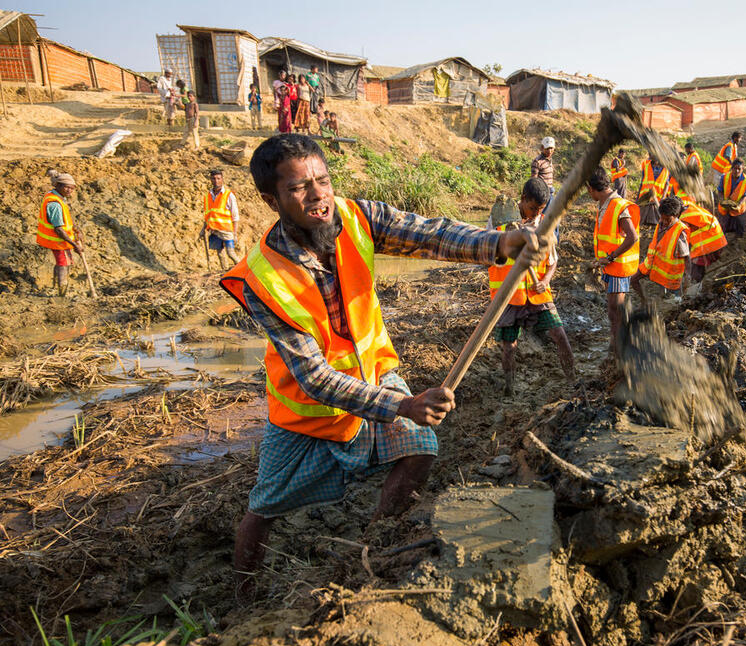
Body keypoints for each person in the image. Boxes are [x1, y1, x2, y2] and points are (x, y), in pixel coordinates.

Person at [220, 134, 546, 599]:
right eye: (299, 188)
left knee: (421, 448)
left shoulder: (358, 218)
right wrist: (402, 404)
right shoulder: (262, 277)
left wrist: (500, 242)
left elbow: (432, 234)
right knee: (265, 506)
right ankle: (242, 594)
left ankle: (372, 550)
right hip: (304, 410)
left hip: (372, 370)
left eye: (323, 180)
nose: (318, 195)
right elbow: (314, 378)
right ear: (270, 199)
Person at [490, 178, 575, 395]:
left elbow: (553, 260)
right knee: (509, 346)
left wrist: (545, 281)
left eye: (540, 209)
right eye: (532, 208)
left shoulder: (544, 224)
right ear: (523, 199)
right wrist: (509, 240)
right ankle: (509, 389)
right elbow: (485, 253)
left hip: (538, 294)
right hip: (509, 296)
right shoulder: (499, 219)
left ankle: (574, 382)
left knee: (560, 335)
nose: (536, 213)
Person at [586, 167, 639, 353]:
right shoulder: (604, 203)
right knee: (614, 309)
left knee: (614, 309)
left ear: (591, 188)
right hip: (610, 265)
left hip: (618, 266)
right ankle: (618, 343)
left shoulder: (617, 205)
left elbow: (632, 237)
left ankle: (619, 348)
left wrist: (610, 257)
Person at [634, 196, 690, 303]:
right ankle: (646, 302)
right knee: (633, 280)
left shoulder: (680, 232)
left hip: (670, 273)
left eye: (667, 220)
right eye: (662, 218)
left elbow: (686, 257)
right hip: (652, 264)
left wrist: (688, 277)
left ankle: (675, 305)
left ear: (676, 216)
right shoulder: (660, 223)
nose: (664, 221)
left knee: (677, 300)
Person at [37, 172, 83, 297]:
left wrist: (75, 229)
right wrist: (74, 244)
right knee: (64, 263)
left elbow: (64, 221)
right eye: (66, 187)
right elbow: (58, 229)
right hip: (58, 240)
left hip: (59, 238)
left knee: (61, 262)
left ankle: (56, 286)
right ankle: (61, 293)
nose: (69, 190)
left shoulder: (55, 196)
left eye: (72, 188)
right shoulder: (55, 204)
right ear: (57, 185)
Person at [200, 169, 240, 268]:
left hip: (226, 230)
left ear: (222, 179)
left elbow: (235, 216)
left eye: (218, 178)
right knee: (220, 254)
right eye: (214, 178)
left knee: (231, 253)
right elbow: (208, 216)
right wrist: (203, 229)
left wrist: (234, 233)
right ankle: (225, 273)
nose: (216, 181)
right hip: (214, 230)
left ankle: (243, 270)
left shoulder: (228, 195)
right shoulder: (207, 196)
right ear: (210, 180)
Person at [681, 199, 727, 283]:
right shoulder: (690, 207)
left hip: (709, 245)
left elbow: (682, 240)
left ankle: (695, 288)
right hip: (719, 241)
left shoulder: (683, 218)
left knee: (695, 269)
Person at [636, 154, 670, 237]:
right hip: (646, 196)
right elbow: (642, 181)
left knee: (658, 217)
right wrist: (638, 196)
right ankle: (640, 234)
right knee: (641, 217)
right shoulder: (646, 165)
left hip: (658, 197)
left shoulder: (666, 169)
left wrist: (663, 196)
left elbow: (667, 183)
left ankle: (656, 234)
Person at [716, 159, 746, 238]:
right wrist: (722, 201)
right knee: (722, 227)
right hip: (725, 206)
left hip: (738, 207)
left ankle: (738, 241)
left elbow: (745, 195)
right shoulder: (724, 177)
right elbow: (720, 191)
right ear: (732, 168)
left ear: (742, 169)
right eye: (735, 168)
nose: (737, 171)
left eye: (739, 169)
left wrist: (739, 204)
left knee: (740, 228)